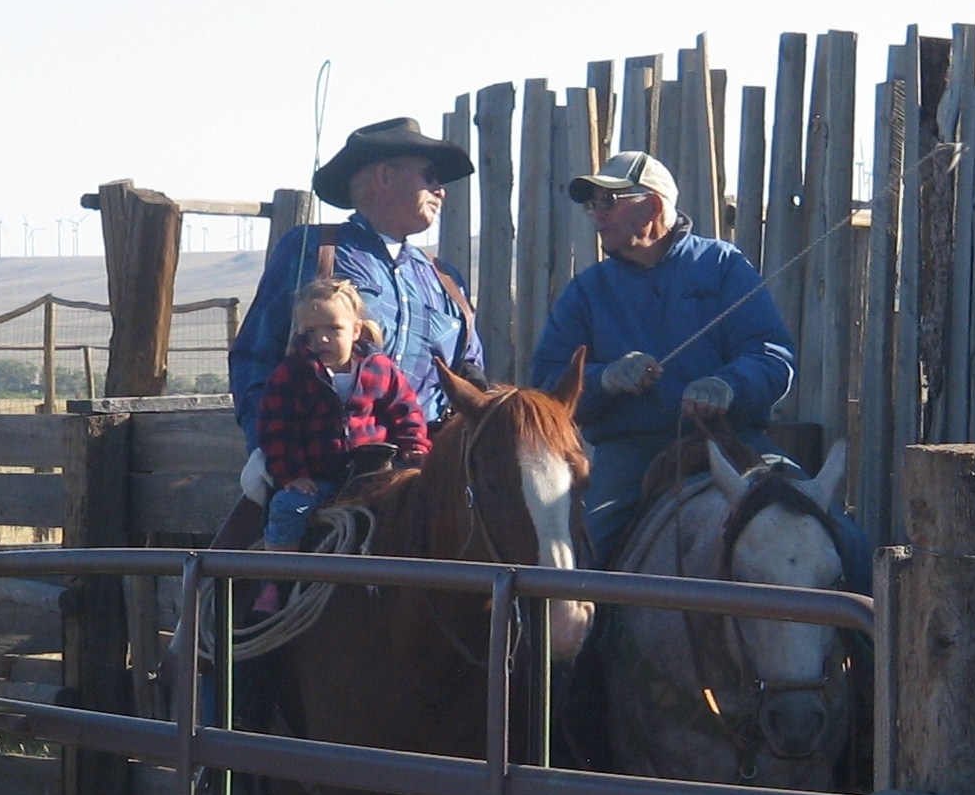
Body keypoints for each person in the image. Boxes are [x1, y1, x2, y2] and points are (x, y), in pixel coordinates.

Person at [530, 150, 871, 592]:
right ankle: (566, 662)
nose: (596, 215)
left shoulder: (724, 266)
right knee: (575, 563)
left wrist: (728, 385)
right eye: (592, 204)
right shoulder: (587, 291)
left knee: (848, 540)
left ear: (652, 206)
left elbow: (772, 355)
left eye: (608, 203)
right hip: (631, 456)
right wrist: (603, 379)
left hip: (735, 442)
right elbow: (545, 384)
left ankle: (872, 657)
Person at [229, 116, 486, 509]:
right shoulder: (314, 250)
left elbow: (471, 378)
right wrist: (264, 447)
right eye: (431, 176)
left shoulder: (446, 280)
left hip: (426, 479)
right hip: (321, 475)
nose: (441, 191)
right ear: (384, 175)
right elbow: (257, 356)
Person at [251, 277, 431, 613]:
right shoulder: (292, 373)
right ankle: (276, 581)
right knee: (289, 509)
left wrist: (414, 446)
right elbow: (277, 430)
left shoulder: (382, 370)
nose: (321, 339)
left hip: (372, 473)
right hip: (318, 475)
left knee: (411, 508)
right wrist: (292, 475)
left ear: (356, 330)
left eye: (333, 329)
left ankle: (415, 585)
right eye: (310, 332)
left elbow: (406, 411)